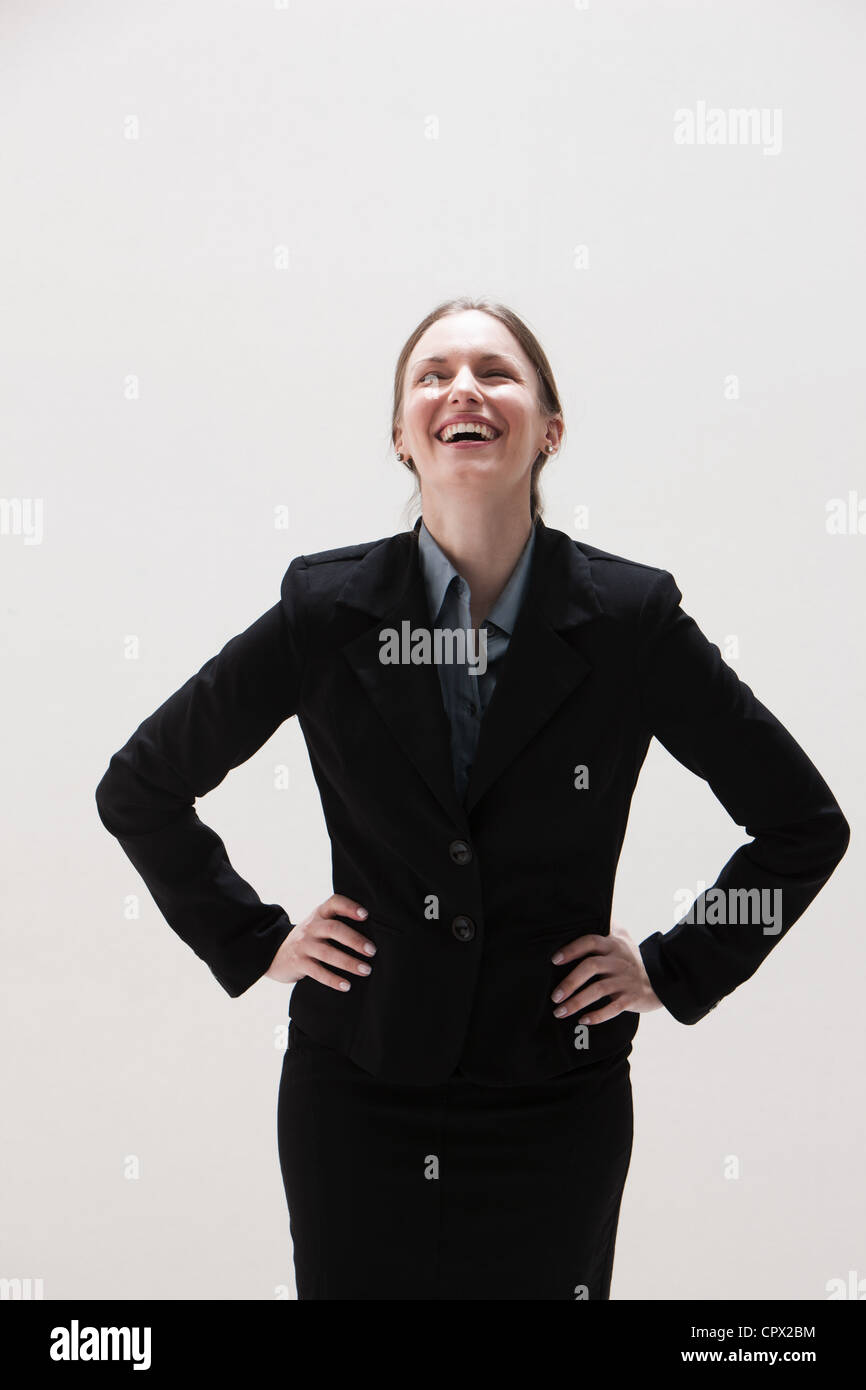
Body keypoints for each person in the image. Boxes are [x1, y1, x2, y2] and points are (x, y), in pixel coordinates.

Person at [95, 296, 850, 1301]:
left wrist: (674, 967)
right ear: (401, 437)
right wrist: (255, 939)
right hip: (356, 1089)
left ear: (549, 429)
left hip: (553, 1098)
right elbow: (141, 787)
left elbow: (801, 825)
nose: (462, 389)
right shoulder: (326, 609)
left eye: (495, 373)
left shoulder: (630, 620)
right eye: (433, 374)